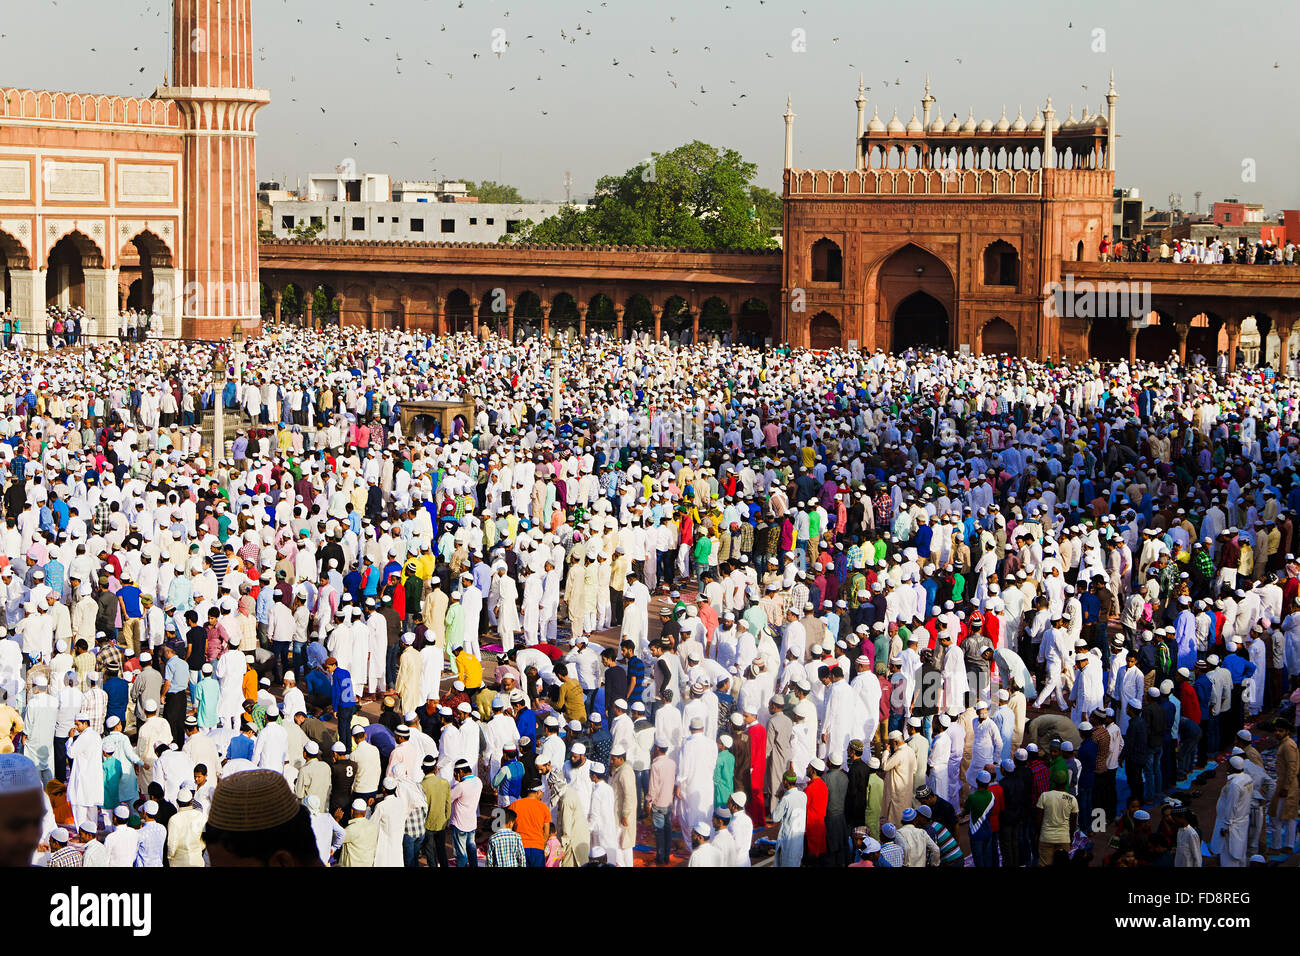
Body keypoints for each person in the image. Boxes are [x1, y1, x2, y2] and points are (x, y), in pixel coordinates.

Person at [1036, 770, 1079, 866]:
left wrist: (1038, 834)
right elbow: (1073, 824)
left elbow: (1038, 820)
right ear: (1066, 782)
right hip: (1063, 839)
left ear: (1053, 782)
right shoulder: (1072, 799)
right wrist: (1070, 837)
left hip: (1046, 837)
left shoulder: (1044, 796)